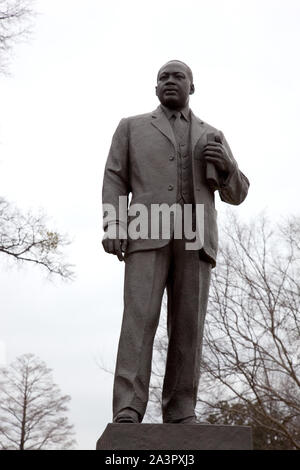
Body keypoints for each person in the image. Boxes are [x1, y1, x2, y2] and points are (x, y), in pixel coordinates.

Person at [102, 60, 249, 424]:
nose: (170, 81)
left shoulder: (212, 133)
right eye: (163, 77)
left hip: (196, 239)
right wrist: (113, 223)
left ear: (192, 87)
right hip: (145, 232)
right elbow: (115, 178)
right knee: (138, 322)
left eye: (178, 76)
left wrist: (228, 166)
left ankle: (181, 409)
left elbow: (239, 193)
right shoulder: (131, 128)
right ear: (155, 89)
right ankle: (128, 408)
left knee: (188, 327)